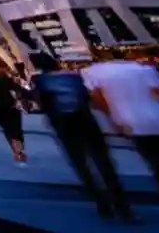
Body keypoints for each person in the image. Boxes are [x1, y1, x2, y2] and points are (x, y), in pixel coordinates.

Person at [84, 57, 159, 224]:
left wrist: (114, 120)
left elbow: (97, 99)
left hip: (134, 125)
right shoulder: (144, 69)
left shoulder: (92, 72)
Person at [31, 53, 132, 221]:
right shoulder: (75, 77)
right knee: (104, 164)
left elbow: (41, 103)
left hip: (64, 125)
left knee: (82, 165)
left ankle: (102, 204)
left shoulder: (39, 80)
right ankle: (123, 207)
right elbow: (86, 97)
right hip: (87, 122)